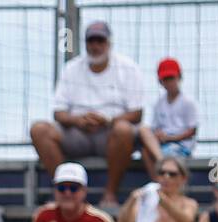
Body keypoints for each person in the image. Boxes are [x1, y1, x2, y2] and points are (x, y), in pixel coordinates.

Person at [29, 21, 144, 208]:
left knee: (124, 129)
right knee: (39, 129)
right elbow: (58, 112)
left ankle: (110, 194)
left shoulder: (128, 68)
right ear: (85, 43)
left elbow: (137, 113)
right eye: (91, 41)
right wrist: (78, 120)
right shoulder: (71, 68)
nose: (96, 46)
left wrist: (107, 120)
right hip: (77, 133)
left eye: (100, 41)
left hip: (110, 134)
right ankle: (65, 190)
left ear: (109, 43)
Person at [138, 58, 197, 181]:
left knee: (167, 153)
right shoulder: (158, 103)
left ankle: (162, 168)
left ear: (179, 77)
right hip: (163, 146)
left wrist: (170, 138)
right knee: (144, 141)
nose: (169, 82)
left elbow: (192, 131)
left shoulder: (188, 102)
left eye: (171, 78)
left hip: (181, 147)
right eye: (165, 79)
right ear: (160, 81)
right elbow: (154, 128)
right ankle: (158, 182)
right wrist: (158, 135)